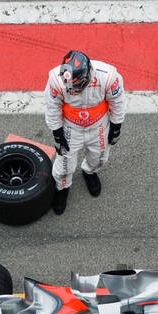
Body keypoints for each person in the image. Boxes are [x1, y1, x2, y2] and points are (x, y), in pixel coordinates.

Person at [45, 50, 126, 215]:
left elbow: (117, 102)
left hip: (99, 125)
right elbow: (52, 108)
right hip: (70, 127)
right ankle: (62, 188)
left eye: (76, 84)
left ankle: (89, 171)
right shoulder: (56, 79)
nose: (71, 89)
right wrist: (57, 133)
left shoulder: (108, 76)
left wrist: (116, 126)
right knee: (64, 164)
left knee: (100, 157)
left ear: (88, 73)